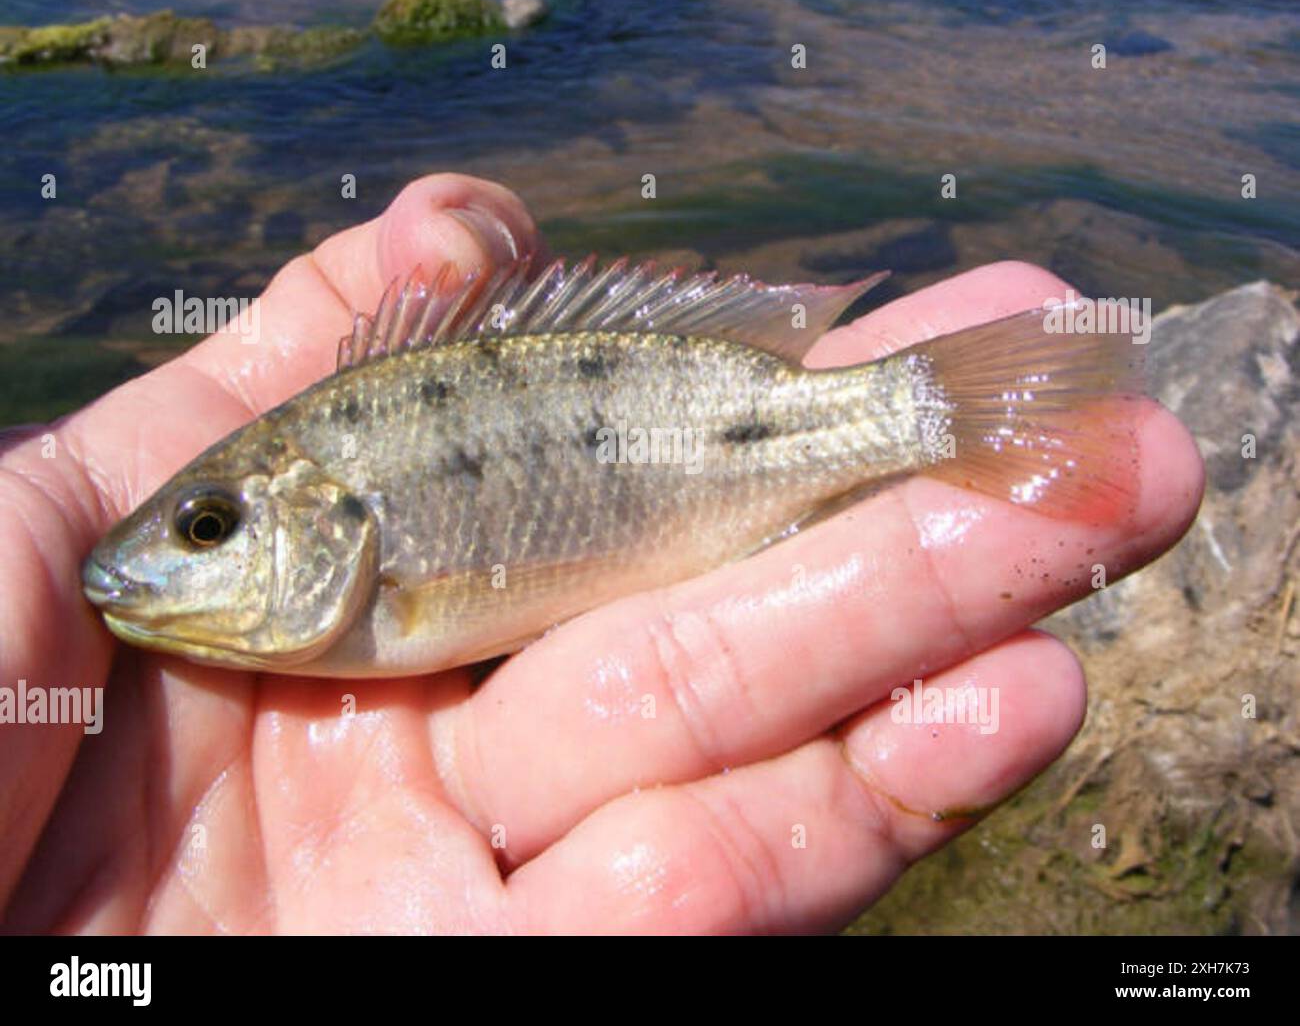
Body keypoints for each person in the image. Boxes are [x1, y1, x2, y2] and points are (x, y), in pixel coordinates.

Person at [0, 174, 1204, 934]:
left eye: (207, 525)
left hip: (740, 426)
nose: (146, 566)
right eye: (208, 526)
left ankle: (958, 408)